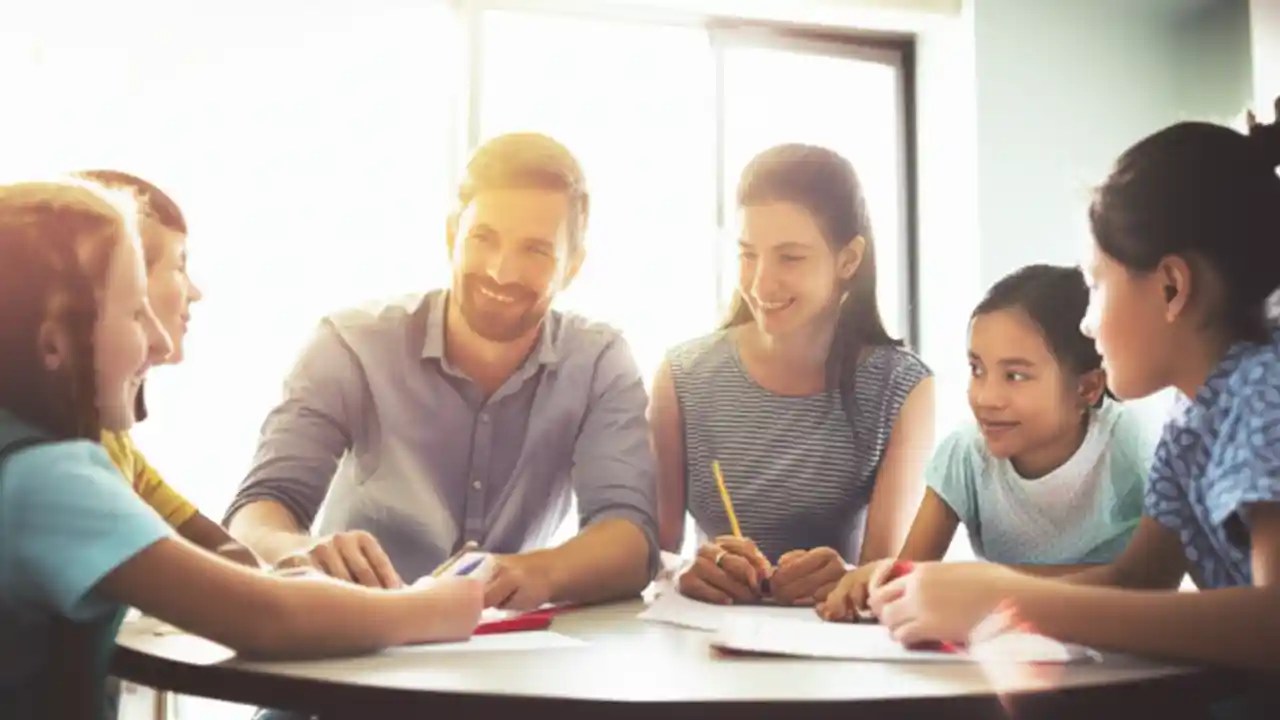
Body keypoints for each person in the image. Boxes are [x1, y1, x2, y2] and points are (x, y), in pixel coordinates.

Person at [0, 179, 483, 720]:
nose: (160, 342)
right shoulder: (52, 480)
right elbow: (266, 618)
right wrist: (432, 608)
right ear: (53, 344)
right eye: (136, 313)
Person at [865, 107, 1280, 708]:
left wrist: (1011, 600)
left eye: (1095, 284)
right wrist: (979, 591)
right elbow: (1135, 580)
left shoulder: (1261, 390)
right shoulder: (1190, 423)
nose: (1086, 320)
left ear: (1171, 288)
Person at [225, 132, 658, 610]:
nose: (500, 272)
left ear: (572, 265)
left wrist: (537, 572)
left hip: (507, 648)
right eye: (483, 238)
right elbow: (258, 510)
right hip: (355, 634)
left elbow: (631, 537)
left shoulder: (599, 361)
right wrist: (301, 552)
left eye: (535, 250)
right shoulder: (350, 344)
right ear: (453, 235)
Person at [651, 144, 934, 606]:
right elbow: (653, 556)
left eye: (790, 258)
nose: (761, 283)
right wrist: (685, 571)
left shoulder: (901, 387)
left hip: (837, 644)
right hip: (707, 641)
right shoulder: (682, 376)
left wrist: (848, 578)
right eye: (748, 254)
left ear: (848, 260)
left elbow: (890, 572)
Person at [819, 265, 1151, 619]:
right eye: (977, 369)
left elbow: (1147, 580)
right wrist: (869, 582)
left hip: (1113, 636)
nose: (986, 398)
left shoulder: (1126, 443)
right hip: (1011, 643)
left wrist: (970, 584)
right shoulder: (965, 455)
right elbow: (912, 574)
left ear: (1086, 388)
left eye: (1015, 376)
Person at [78, 170, 257, 567]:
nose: (195, 292)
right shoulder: (59, 473)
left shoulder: (117, 446)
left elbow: (218, 549)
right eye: (179, 266)